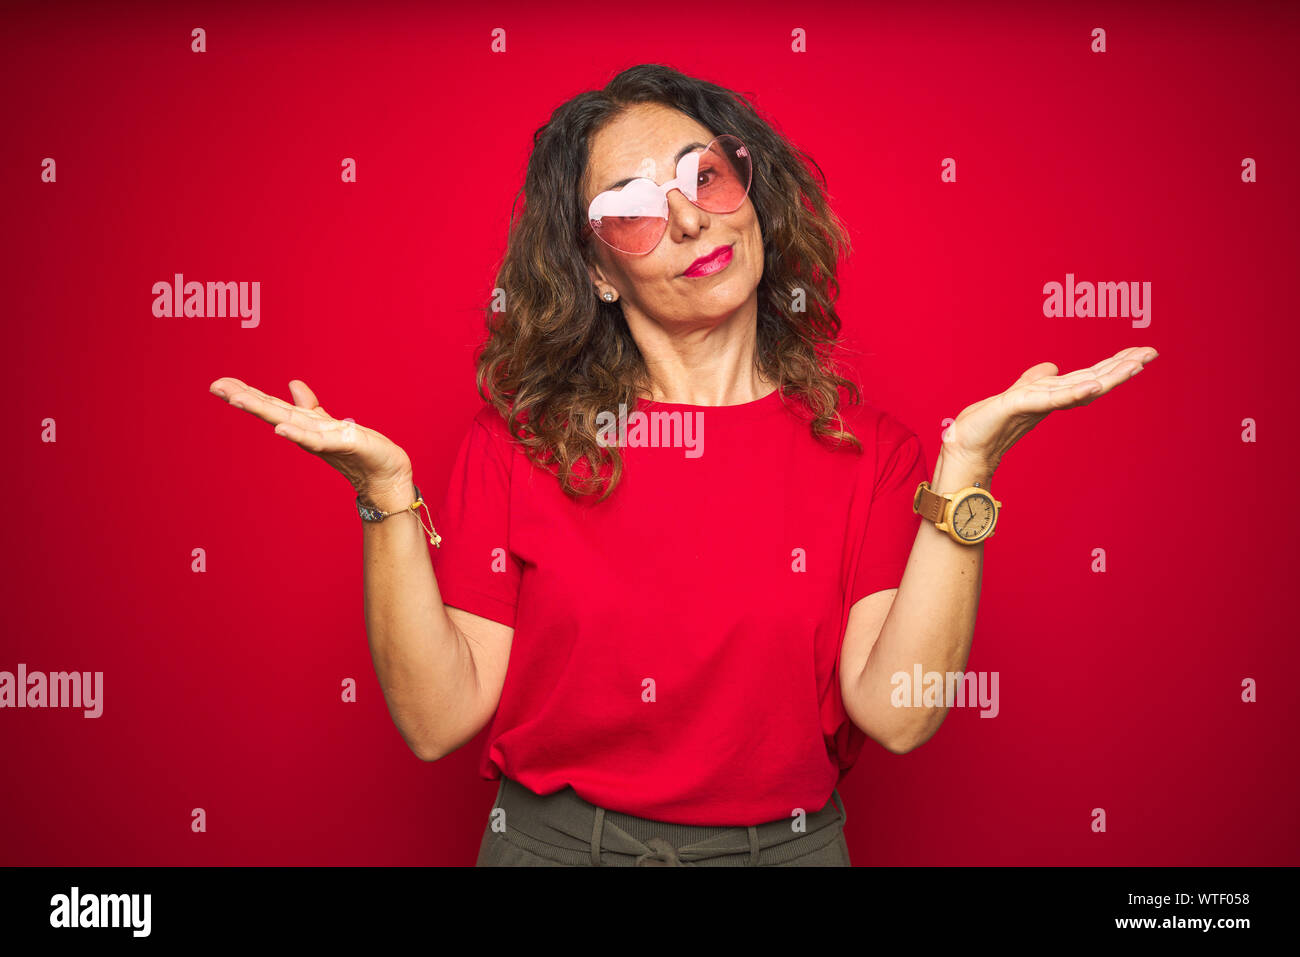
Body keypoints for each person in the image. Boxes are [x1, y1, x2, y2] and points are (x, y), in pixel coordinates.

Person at [208, 64, 1158, 866]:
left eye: (706, 177)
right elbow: (435, 719)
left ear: (751, 197)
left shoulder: (874, 453)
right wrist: (386, 499)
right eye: (630, 211)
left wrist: (967, 468)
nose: (692, 221)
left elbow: (898, 715)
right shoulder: (519, 444)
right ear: (598, 273)